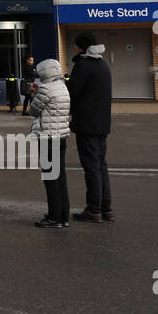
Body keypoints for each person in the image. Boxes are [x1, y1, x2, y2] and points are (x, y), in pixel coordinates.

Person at [68, 32, 114, 222]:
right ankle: (106, 207)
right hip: (102, 124)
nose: (74, 48)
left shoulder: (83, 65)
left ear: (82, 47)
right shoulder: (103, 65)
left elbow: (72, 93)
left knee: (91, 167)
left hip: (87, 124)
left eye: (76, 45)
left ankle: (93, 209)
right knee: (101, 165)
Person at [29, 58, 71, 228]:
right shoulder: (62, 87)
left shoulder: (45, 89)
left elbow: (34, 110)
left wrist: (35, 93)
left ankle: (54, 217)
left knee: (50, 178)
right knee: (60, 176)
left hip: (47, 137)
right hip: (61, 136)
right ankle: (63, 216)